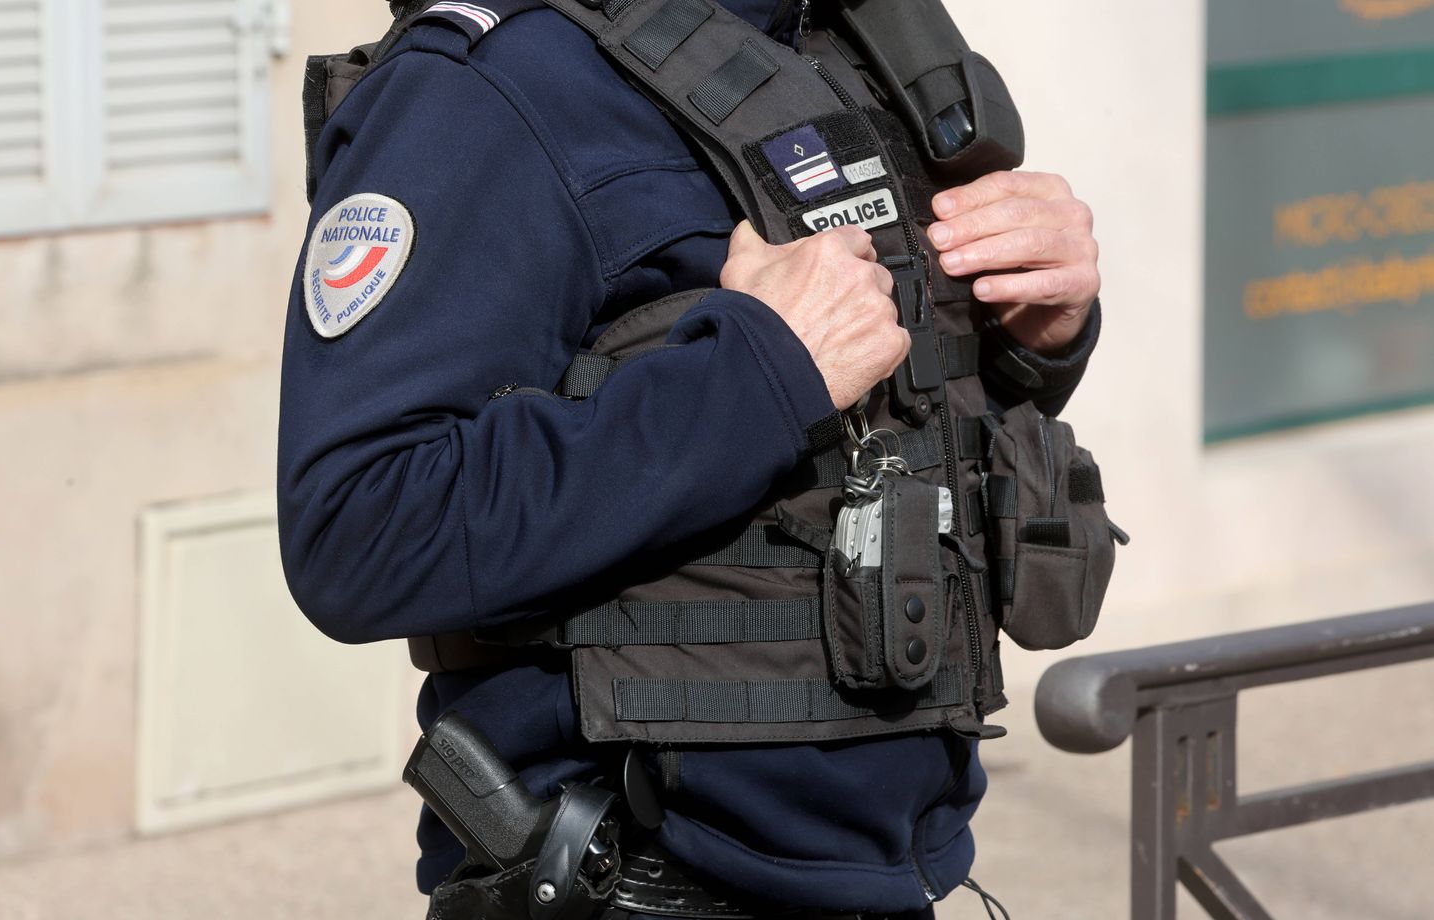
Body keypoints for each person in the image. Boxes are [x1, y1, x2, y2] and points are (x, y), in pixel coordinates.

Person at [279, 0, 1103, 915]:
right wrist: (759, 375)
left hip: (883, 870)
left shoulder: (840, 45)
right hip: (633, 878)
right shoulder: (487, 88)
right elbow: (361, 526)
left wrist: (1031, 333)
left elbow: (876, 437)